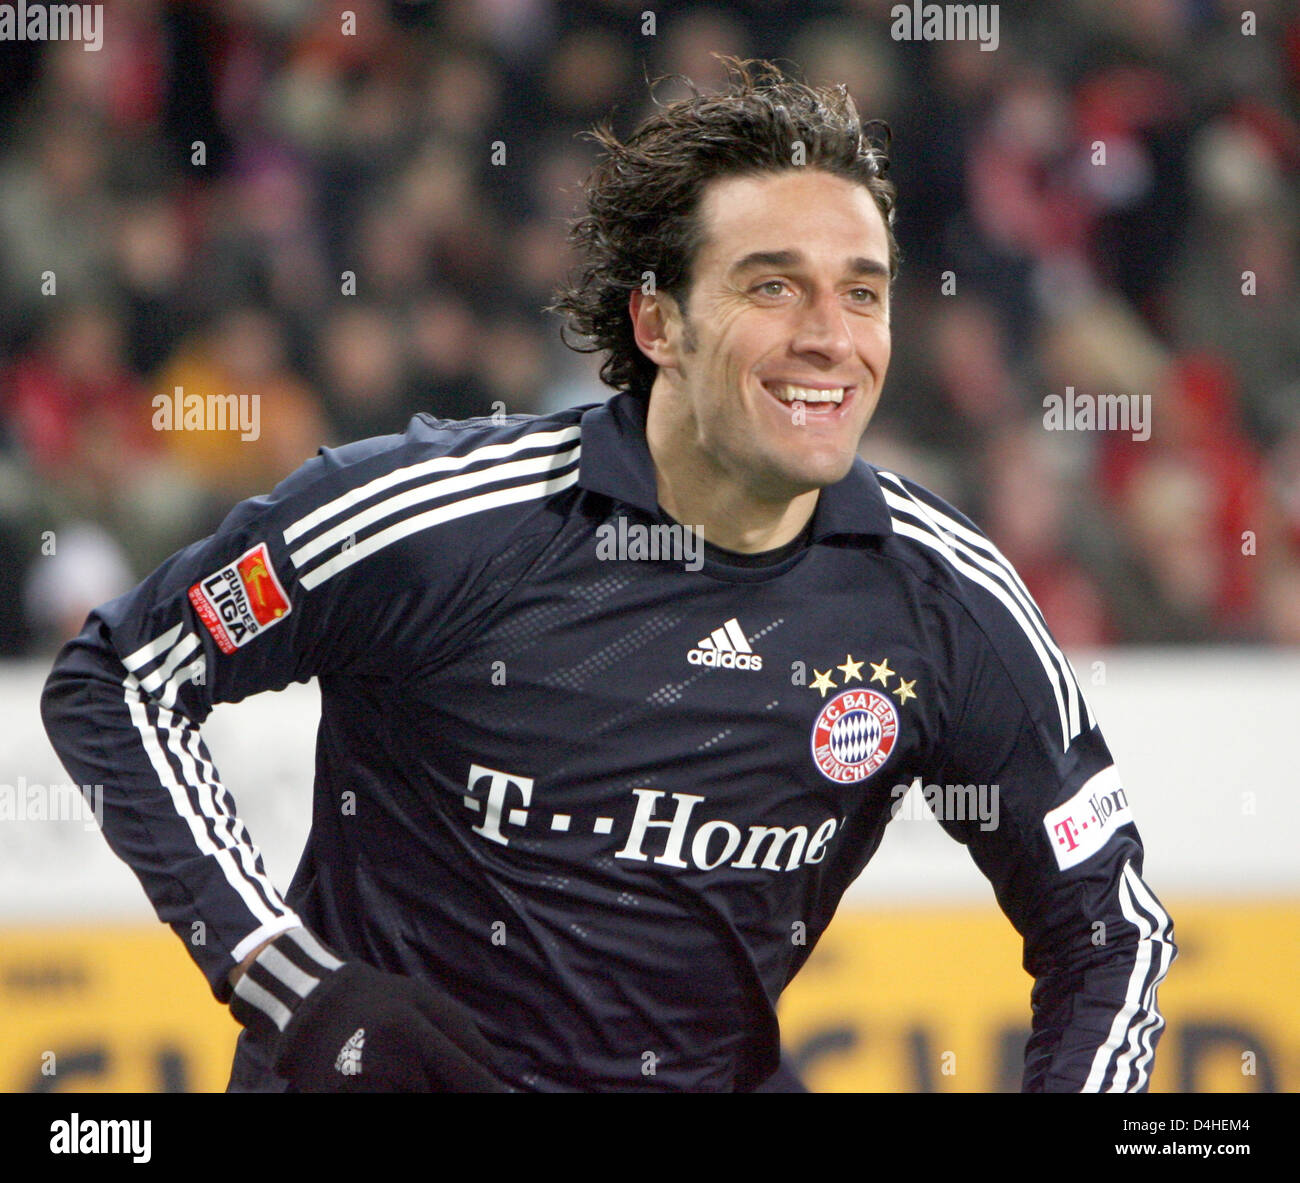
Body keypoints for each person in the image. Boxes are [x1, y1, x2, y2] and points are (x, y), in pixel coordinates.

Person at [41, 59, 1174, 1093]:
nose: (833, 336)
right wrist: (294, 989)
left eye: (863, 290)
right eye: (771, 287)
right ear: (657, 320)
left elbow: (1109, 928)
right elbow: (118, 677)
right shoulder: (441, 521)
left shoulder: (942, 597)